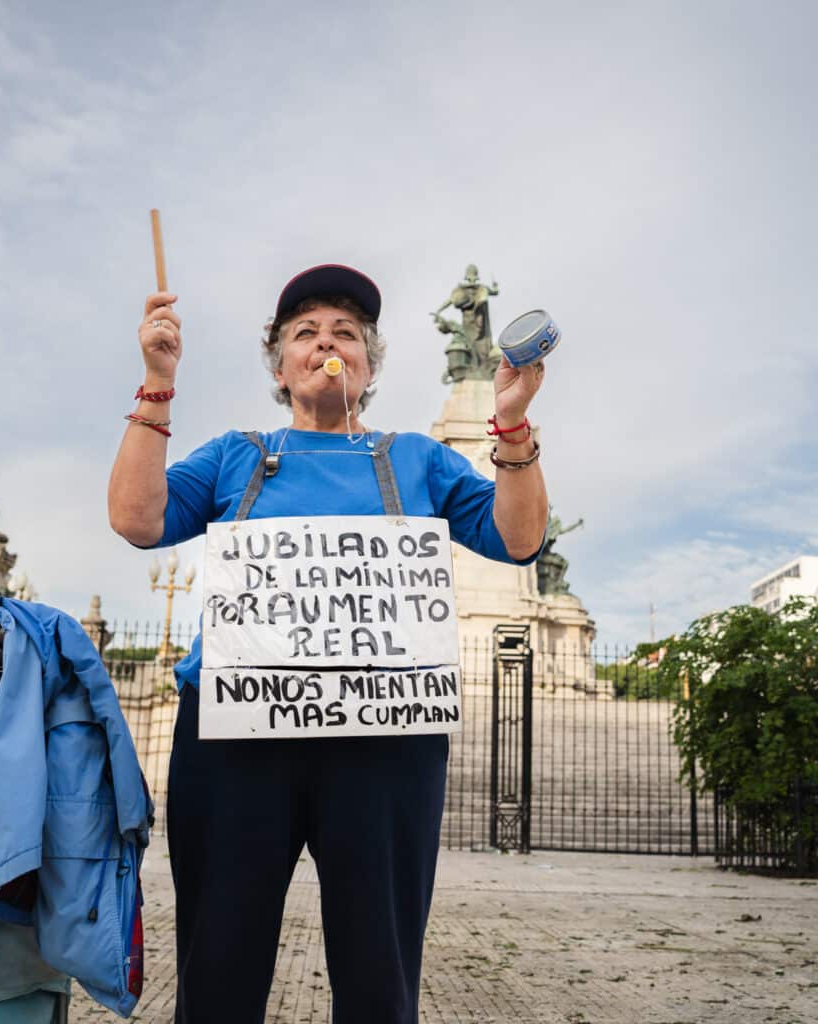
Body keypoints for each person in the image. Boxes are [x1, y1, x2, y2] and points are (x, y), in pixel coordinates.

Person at [108, 264, 549, 1023]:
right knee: (219, 959)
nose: (326, 343)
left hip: (386, 734)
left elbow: (519, 539)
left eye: (346, 333)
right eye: (305, 333)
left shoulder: (417, 457)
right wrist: (157, 383)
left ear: (369, 366)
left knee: (379, 967)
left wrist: (510, 423)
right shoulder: (236, 454)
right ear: (280, 368)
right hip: (236, 731)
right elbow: (136, 519)